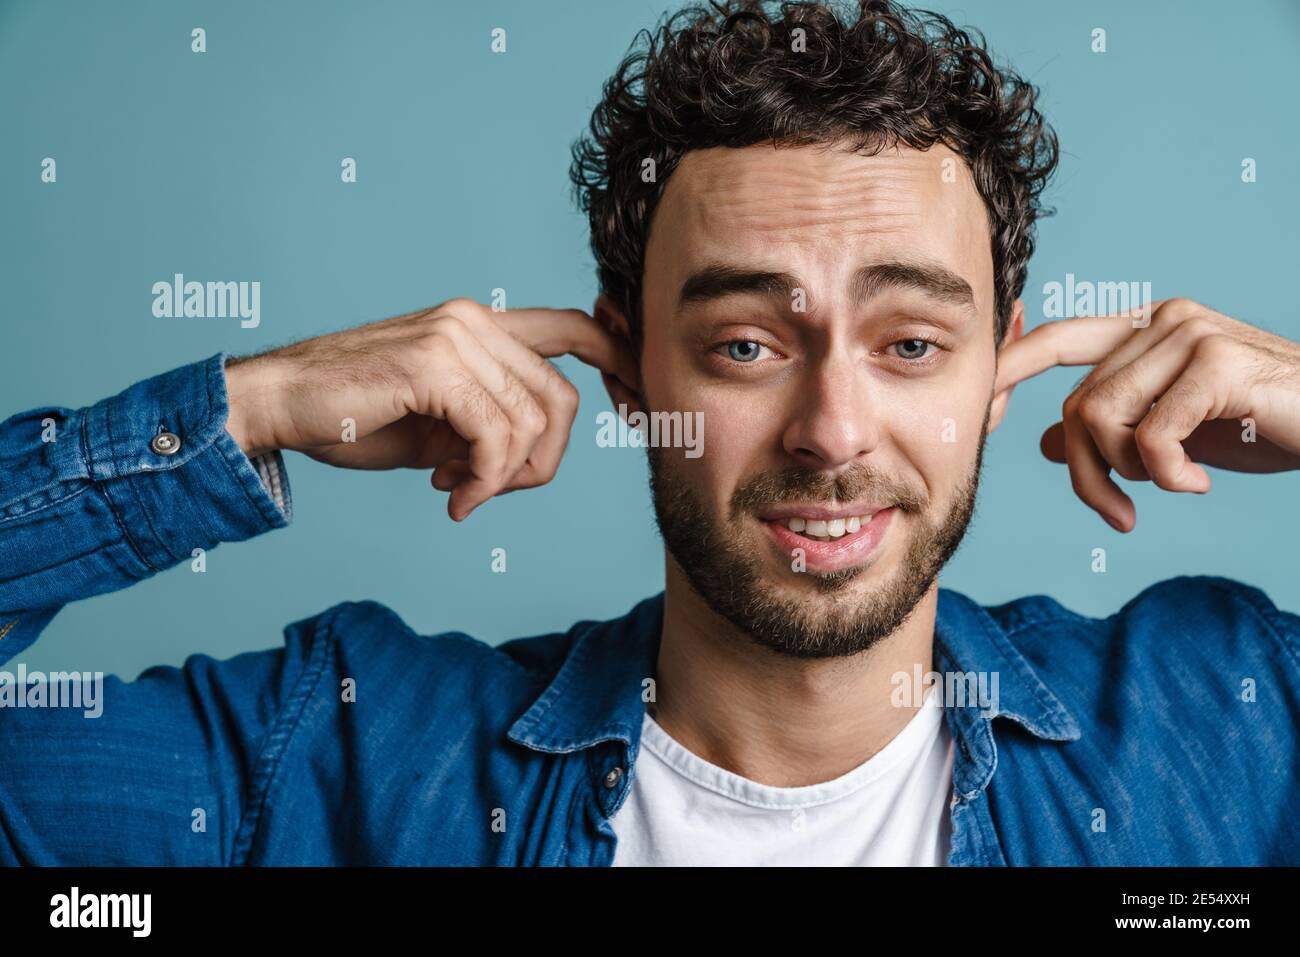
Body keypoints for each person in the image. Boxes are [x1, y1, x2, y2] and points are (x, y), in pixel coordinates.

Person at [1, 0, 1297, 866]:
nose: (832, 430)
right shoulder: (343, 747)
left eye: (911, 344)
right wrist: (245, 410)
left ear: (1002, 366)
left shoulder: (1228, 726)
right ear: (629, 372)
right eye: (745, 345)